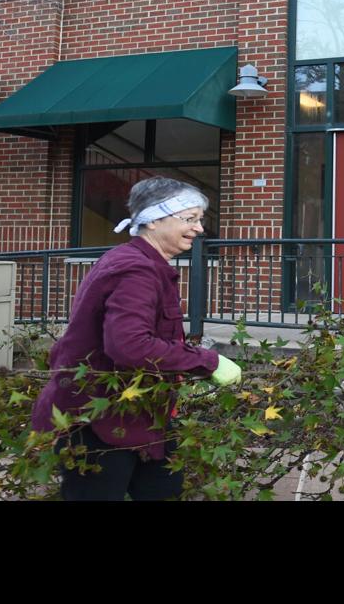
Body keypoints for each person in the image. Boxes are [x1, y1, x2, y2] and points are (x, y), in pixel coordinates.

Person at [31, 177, 241, 500]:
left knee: (164, 489)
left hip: (139, 416)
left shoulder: (141, 263)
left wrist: (180, 373)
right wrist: (207, 361)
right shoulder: (136, 270)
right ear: (154, 220)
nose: (199, 228)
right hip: (100, 423)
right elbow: (129, 345)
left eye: (200, 220)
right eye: (190, 219)